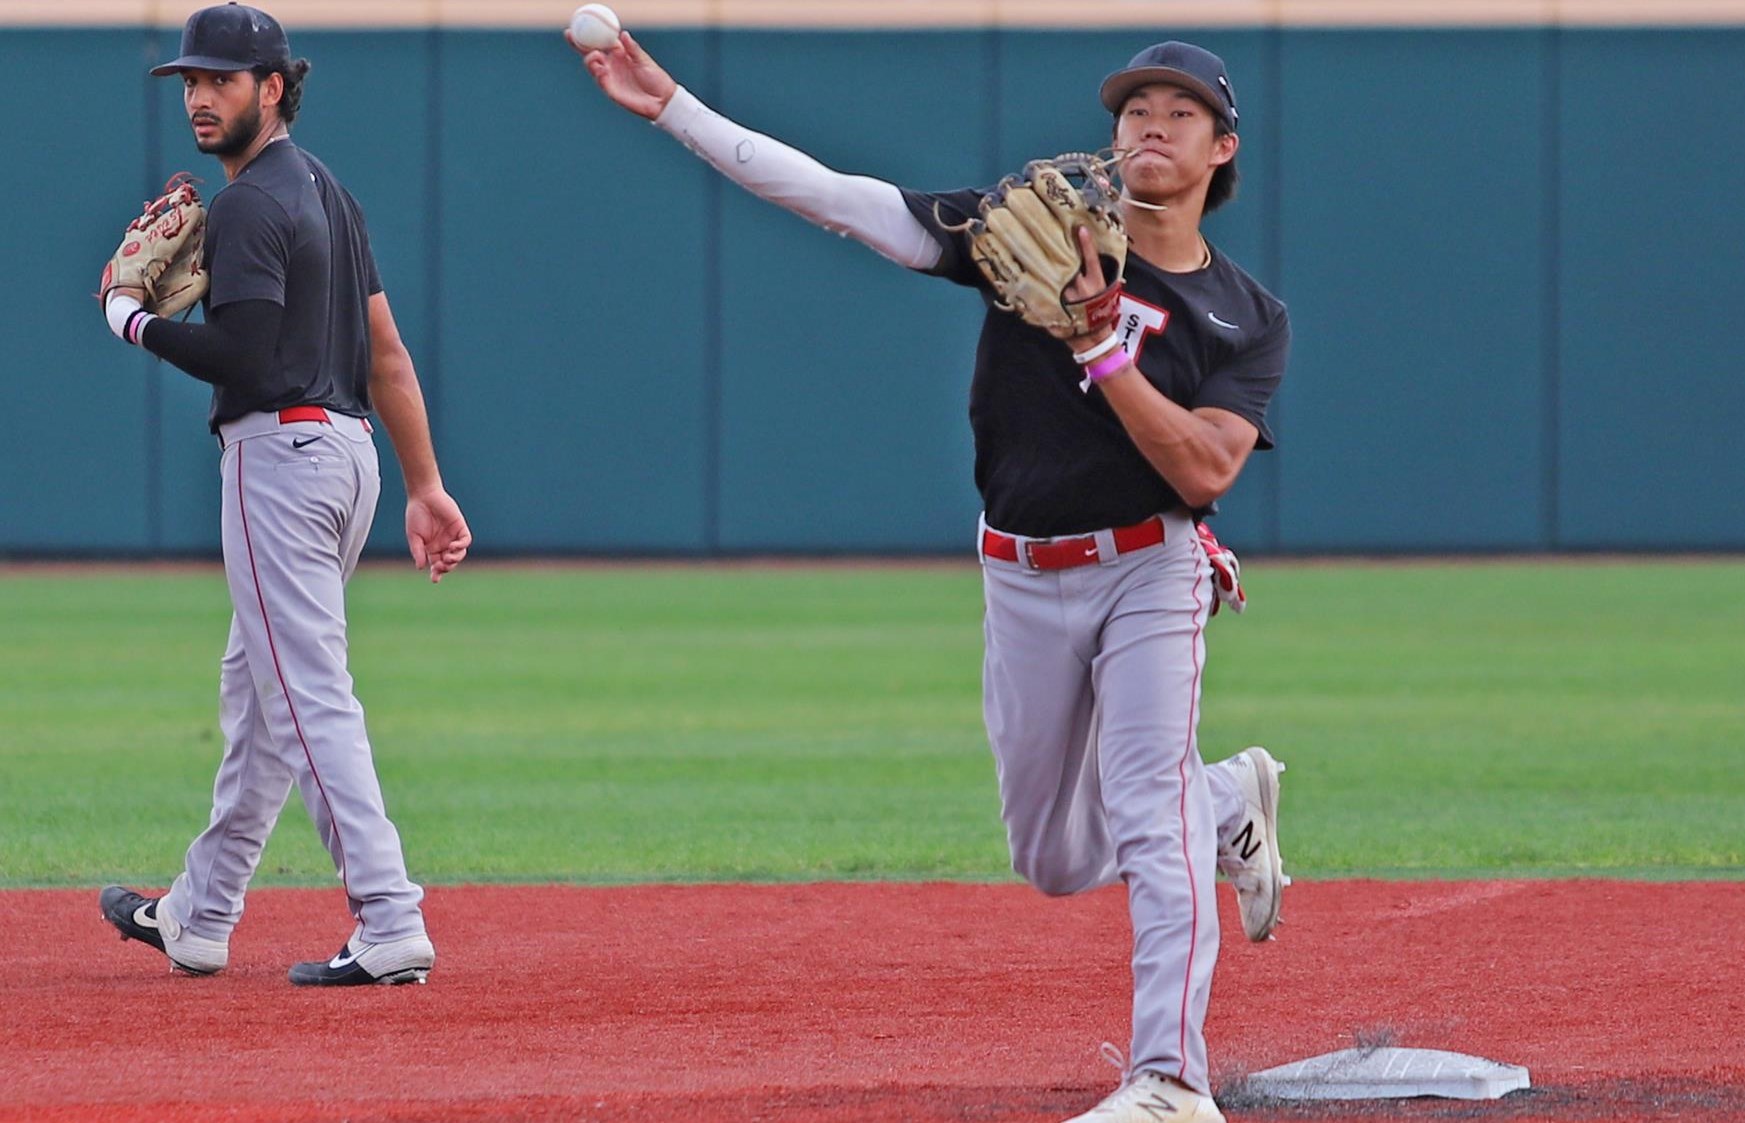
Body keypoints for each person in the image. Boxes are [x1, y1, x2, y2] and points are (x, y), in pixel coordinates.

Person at [574, 31, 1289, 1123]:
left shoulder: (1243, 316)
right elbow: (834, 198)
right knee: (1050, 858)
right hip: (1019, 565)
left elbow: (1201, 464)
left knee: (1146, 814)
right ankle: (1227, 794)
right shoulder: (1029, 229)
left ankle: (1170, 1079)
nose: (1150, 123)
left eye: (1179, 111)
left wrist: (1103, 350)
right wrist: (672, 104)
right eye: (1135, 105)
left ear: (1220, 147)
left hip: (1152, 562)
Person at [96, 1, 471, 987]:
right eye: (189, 82)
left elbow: (245, 354)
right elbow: (384, 349)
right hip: (345, 454)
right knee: (260, 694)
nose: (199, 99)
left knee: (305, 695)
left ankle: (389, 916)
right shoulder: (326, 192)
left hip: (282, 456)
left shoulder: (254, 202)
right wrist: (425, 483)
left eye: (219, 80)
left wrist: (130, 318)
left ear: (274, 86)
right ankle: (201, 911)